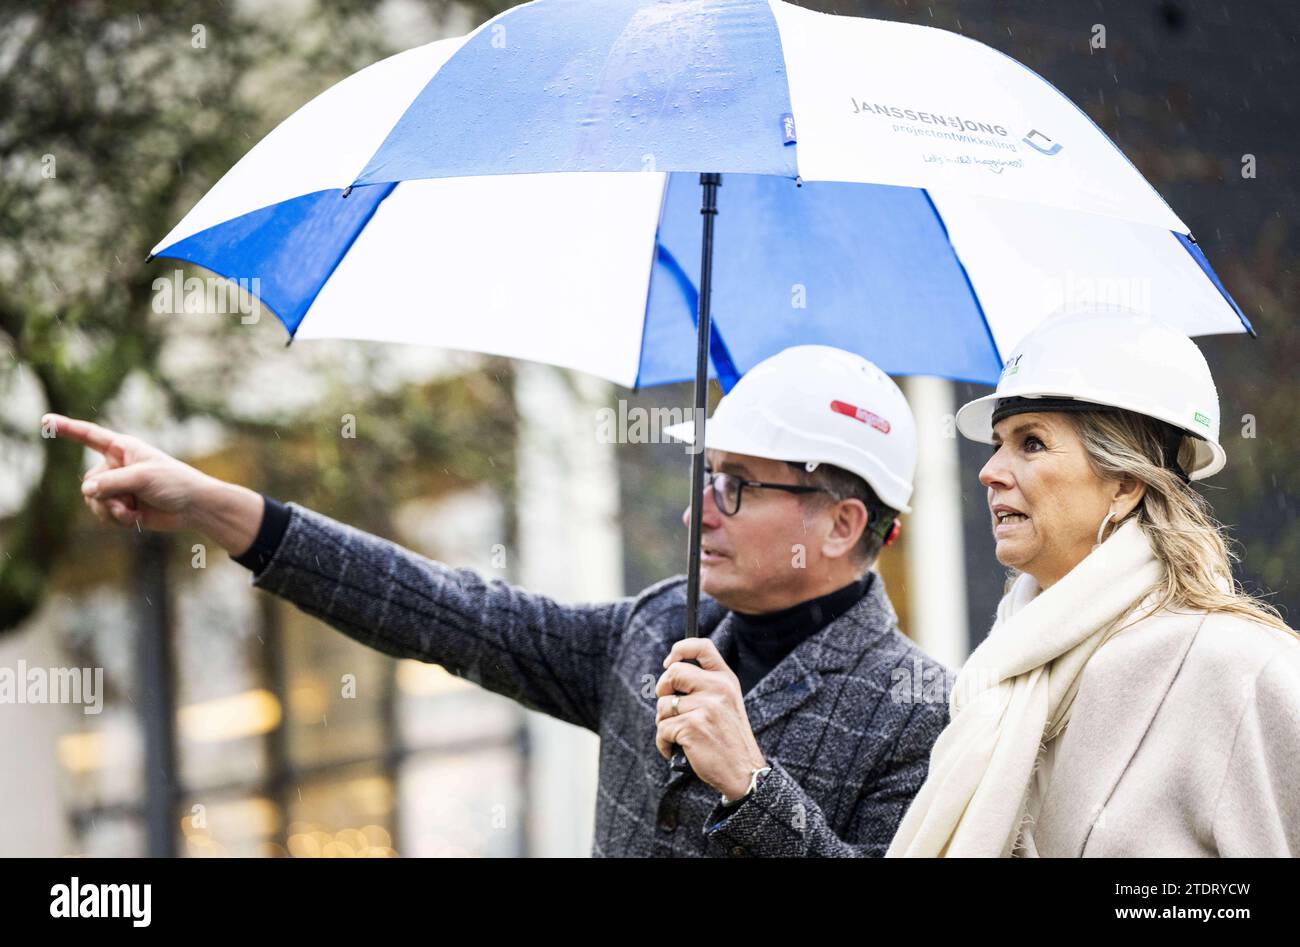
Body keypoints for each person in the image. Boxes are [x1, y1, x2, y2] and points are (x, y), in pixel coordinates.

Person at [48, 343, 954, 857]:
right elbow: (449, 611)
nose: (694, 509)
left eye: (735, 486)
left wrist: (751, 785)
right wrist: (216, 503)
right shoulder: (652, 630)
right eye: (703, 475)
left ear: (839, 524)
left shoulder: (923, 712)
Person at [886, 309, 1300, 857]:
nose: (990, 472)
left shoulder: (1242, 666)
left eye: (1031, 443)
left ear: (1124, 485)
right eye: (997, 444)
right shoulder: (1004, 670)